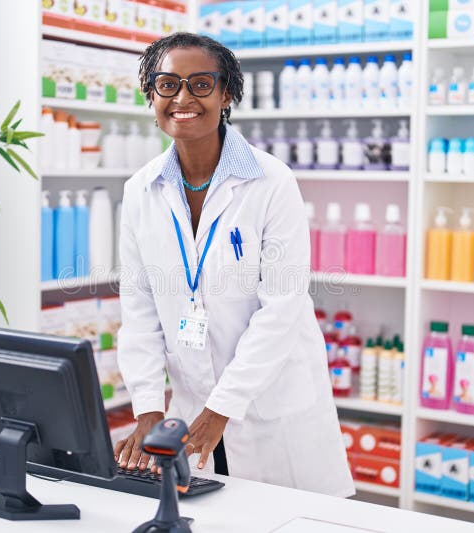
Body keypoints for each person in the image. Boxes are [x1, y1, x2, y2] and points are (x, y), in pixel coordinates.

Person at [114, 32, 354, 497]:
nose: (183, 97)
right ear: (151, 94)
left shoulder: (271, 181)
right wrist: (147, 409)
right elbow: (138, 310)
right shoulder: (140, 190)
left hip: (271, 407)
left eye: (201, 84)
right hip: (191, 406)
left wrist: (223, 407)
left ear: (226, 94)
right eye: (167, 84)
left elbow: (281, 308)